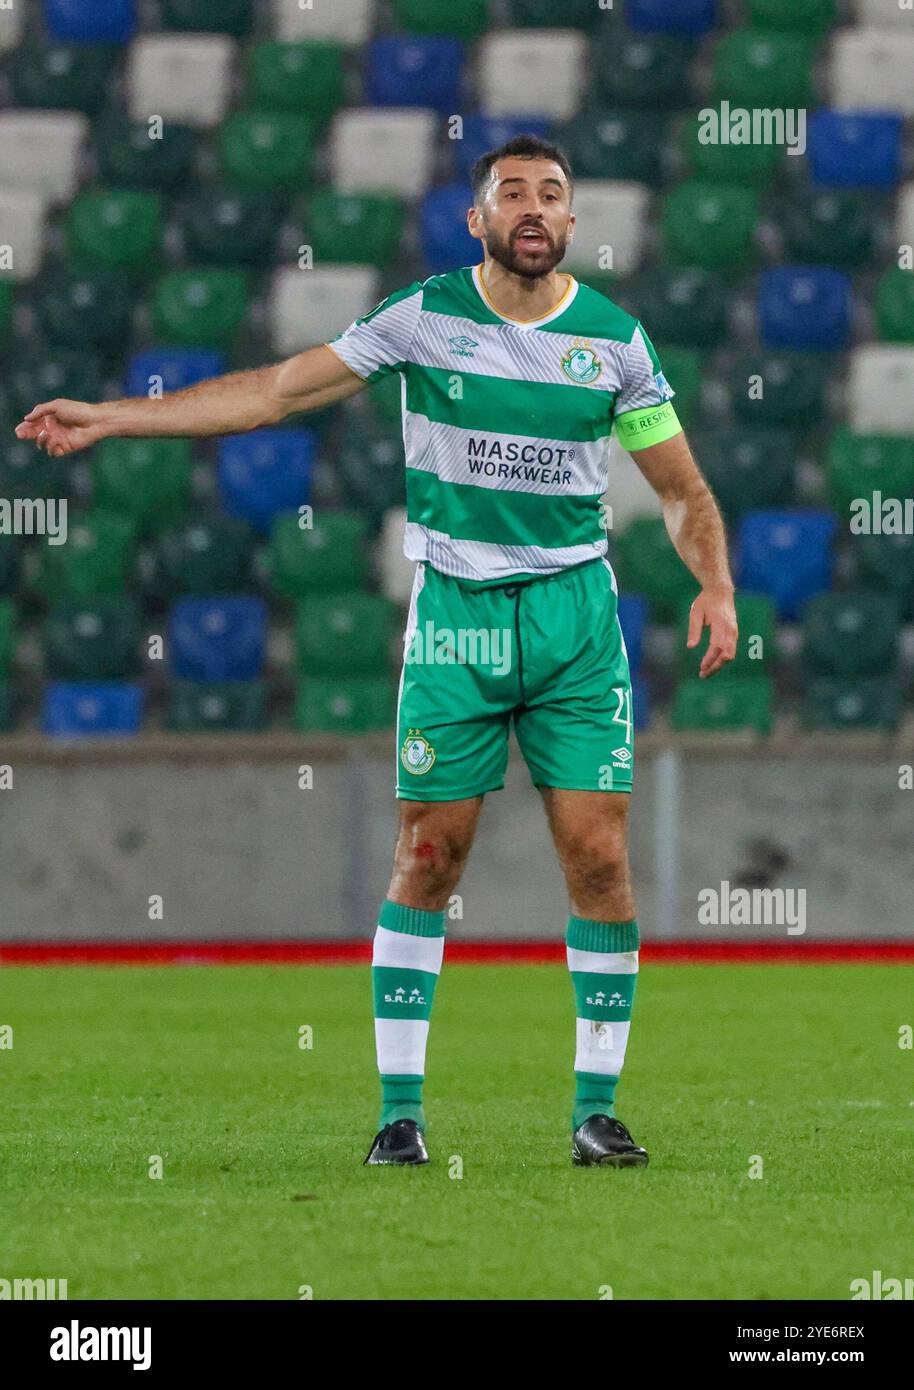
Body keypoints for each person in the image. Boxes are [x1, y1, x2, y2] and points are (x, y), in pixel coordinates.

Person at [16, 135, 737, 1169]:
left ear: (572, 223)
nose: (532, 209)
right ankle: (400, 1112)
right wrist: (117, 419)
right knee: (427, 855)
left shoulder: (614, 343)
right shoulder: (422, 318)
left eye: (551, 196)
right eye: (511, 194)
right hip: (455, 622)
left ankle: (594, 1109)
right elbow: (273, 392)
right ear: (475, 218)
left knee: (598, 854)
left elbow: (680, 490)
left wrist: (712, 582)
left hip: (576, 622)